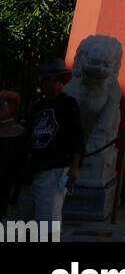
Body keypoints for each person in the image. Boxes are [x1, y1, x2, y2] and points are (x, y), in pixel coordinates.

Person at [27, 58, 84, 225]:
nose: (42, 83)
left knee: (49, 218)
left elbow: (76, 135)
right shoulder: (39, 106)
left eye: (46, 79)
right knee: (40, 216)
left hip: (57, 167)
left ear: (56, 80)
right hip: (37, 167)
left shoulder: (68, 104)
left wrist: (74, 166)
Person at [0, 90, 29, 219]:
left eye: (5, 103)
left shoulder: (20, 132)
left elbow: (21, 162)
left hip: (10, 182)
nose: (1, 106)